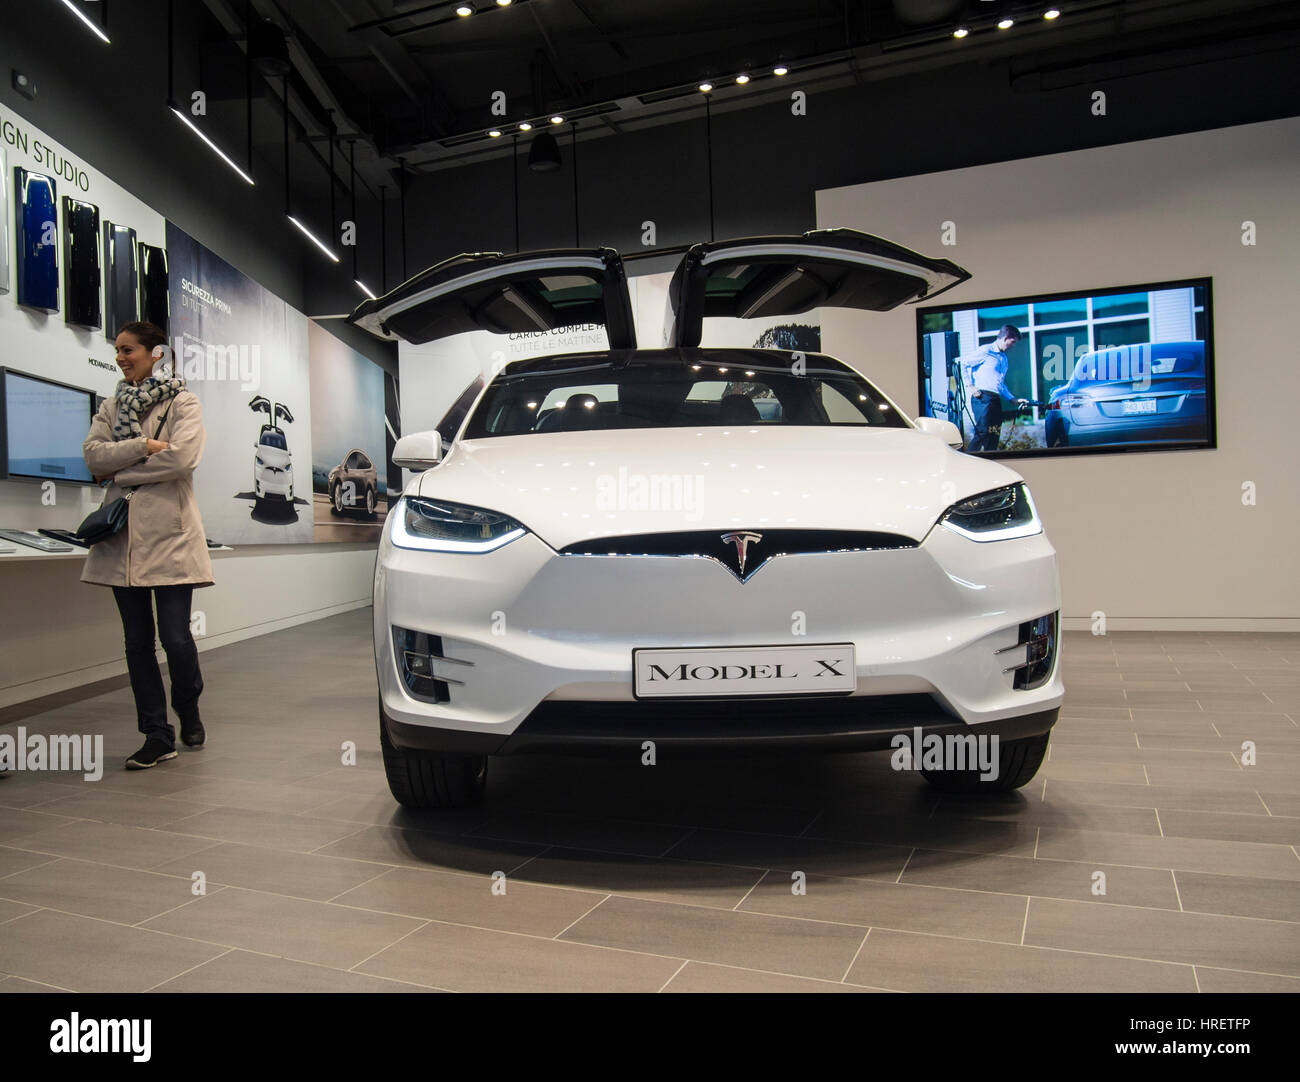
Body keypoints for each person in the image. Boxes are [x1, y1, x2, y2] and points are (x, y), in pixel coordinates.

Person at [82, 321, 214, 770]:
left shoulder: (183, 401)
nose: (120, 357)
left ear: (155, 353)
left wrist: (119, 471)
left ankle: (189, 707)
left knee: (176, 638)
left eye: (128, 349)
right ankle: (157, 734)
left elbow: (183, 458)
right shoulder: (111, 405)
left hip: (171, 538)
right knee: (137, 642)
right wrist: (142, 446)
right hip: (122, 543)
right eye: (117, 350)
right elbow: (92, 456)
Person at [959, 324, 1030, 453]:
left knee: (994, 435)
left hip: (995, 399)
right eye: (1012, 342)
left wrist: (1013, 399)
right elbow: (963, 363)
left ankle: (990, 461)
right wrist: (970, 386)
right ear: (1005, 338)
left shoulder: (1004, 359)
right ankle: (967, 462)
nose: (1013, 346)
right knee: (983, 432)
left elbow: (1000, 384)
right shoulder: (986, 350)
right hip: (982, 398)